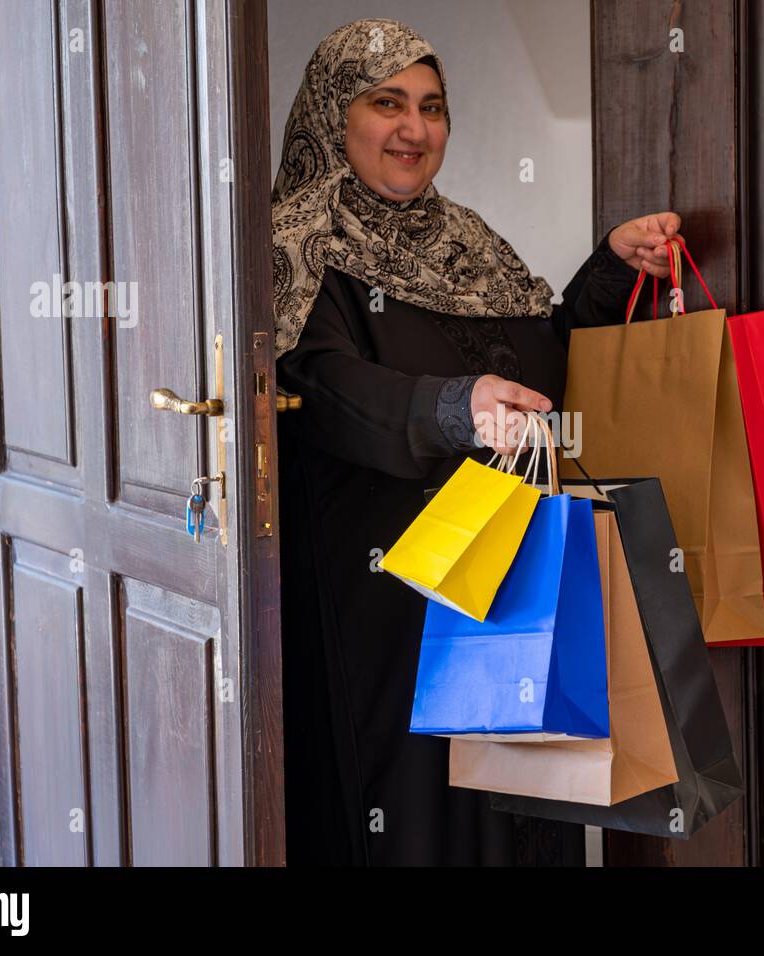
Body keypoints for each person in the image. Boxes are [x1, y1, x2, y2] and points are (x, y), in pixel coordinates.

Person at [273, 17, 681, 866]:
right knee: (416, 809)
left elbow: (537, 361)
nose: (414, 130)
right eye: (387, 103)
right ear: (332, 114)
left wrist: (609, 269)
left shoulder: (467, 242)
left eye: (432, 107)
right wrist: (453, 408)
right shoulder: (298, 247)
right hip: (391, 585)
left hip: (510, 568)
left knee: (525, 791)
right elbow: (320, 384)